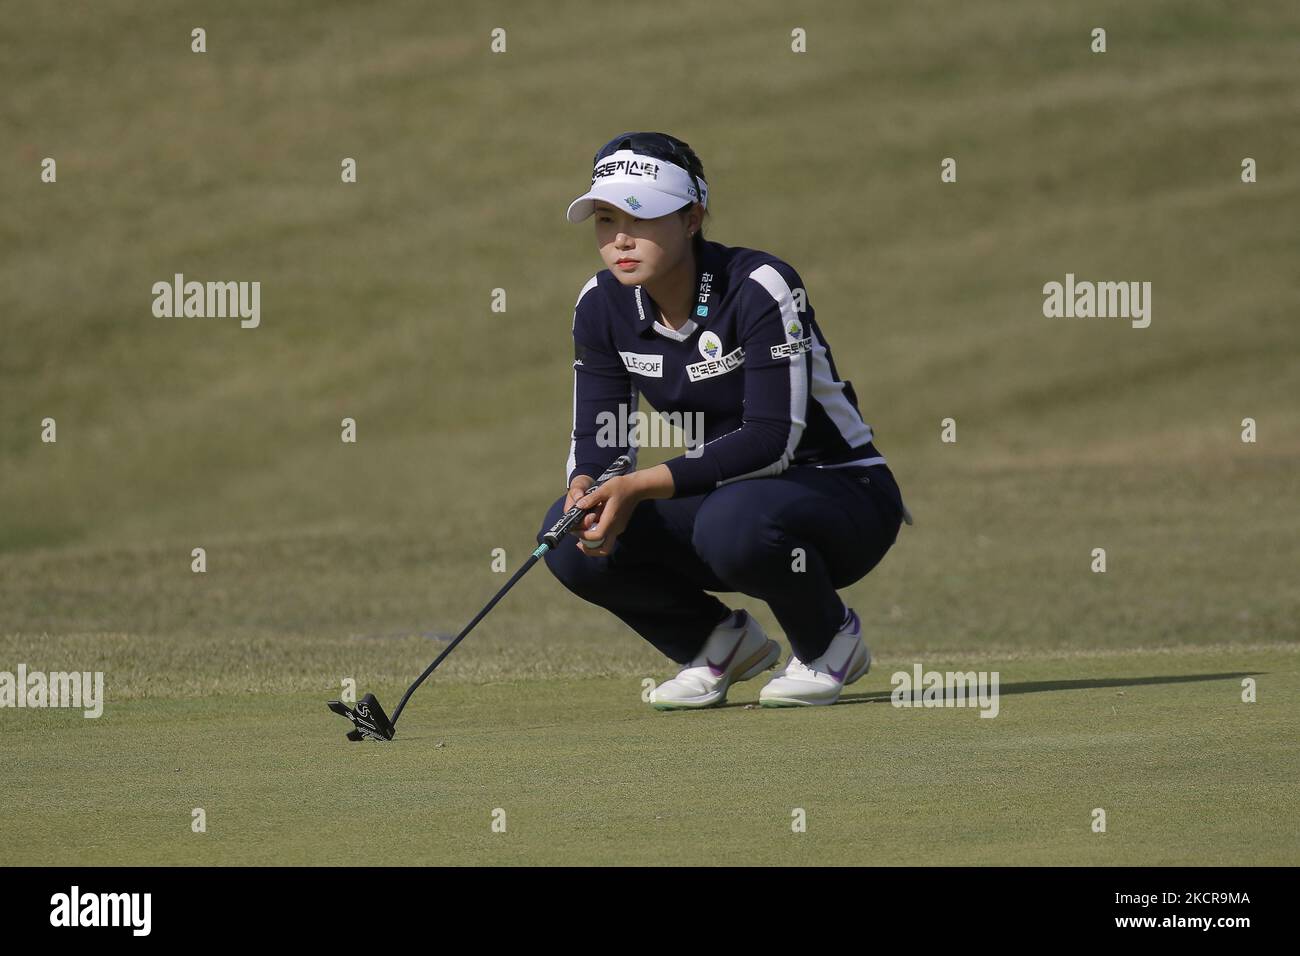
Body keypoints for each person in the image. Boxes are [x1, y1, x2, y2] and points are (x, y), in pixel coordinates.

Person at [539, 131, 912, 709]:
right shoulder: (601, 304)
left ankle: (827, 642)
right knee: (569, 536)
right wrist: (587, 485)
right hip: (724, 495)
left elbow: (771, 441)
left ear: (692, 218)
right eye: (606, 220)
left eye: (640, 218)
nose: (619, 240)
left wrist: (638, 485)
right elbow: (600, 436)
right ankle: (718, 643)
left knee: (730, 521)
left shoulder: (760, 286)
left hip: (842, 492)